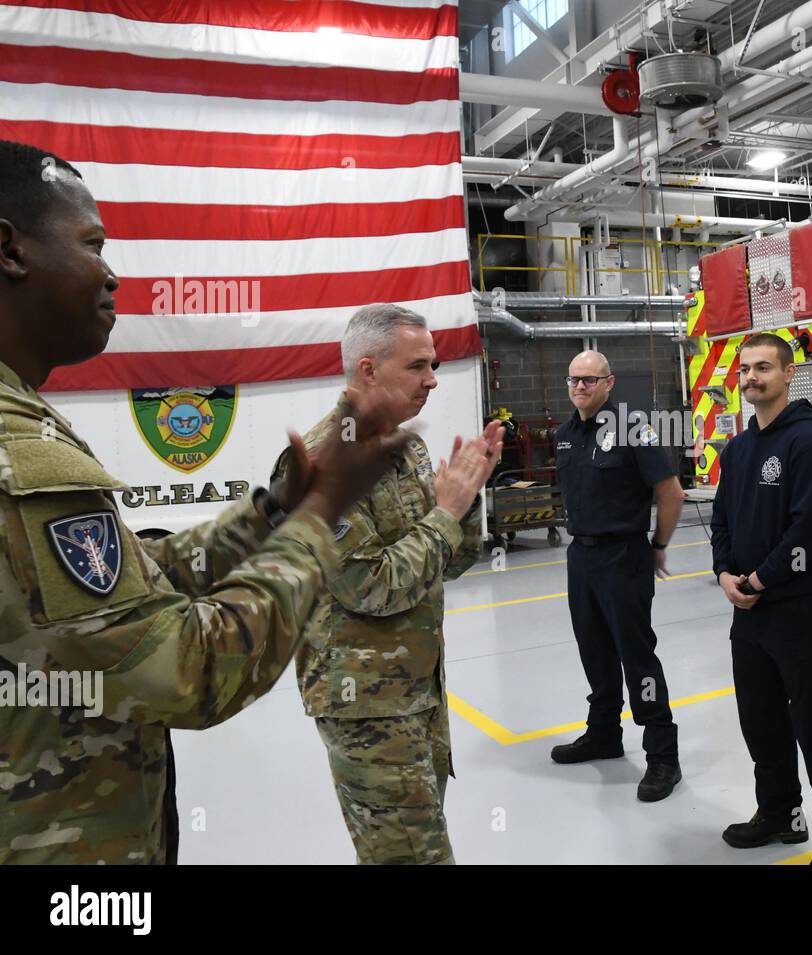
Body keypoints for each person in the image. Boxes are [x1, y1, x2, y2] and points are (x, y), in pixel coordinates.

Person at [0, 139, 425, 863]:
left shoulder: (24, 415)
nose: (111, 274)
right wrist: (321, 516)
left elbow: (135, 572)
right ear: (9, 251)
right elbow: (191, 668)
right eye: (92, 243)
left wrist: (270, 511)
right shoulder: (20, 453)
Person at [270, 304, 502, 865]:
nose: (432, 379)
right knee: (411, 856)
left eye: (434, 365)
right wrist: (446, 512)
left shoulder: (406, 448)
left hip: (420, 690)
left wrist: (464, 506)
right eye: (418, 366)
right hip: (366, 708)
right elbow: (369, 587)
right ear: (368, 370)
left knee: (405, 846)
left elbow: (447, 562)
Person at [711, 332, 812, 865]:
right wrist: (725, 572)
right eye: (744, 369)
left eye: (762, 368)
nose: (750, 378)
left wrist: (758, 582)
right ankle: (780, 814)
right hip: (748, 614)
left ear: (788, 375)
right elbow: (722, 517)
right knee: (761, 719)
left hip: (797, 611)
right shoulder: (740, 446)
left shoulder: (808, 444)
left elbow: (810, 529)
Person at [549, 350, 685, 802]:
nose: (581, 387)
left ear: (609, 383)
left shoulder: (633, 429)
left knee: (637, 656)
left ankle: (663, 756)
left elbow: (670, 492)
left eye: (590, 380)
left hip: (623, 557)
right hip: (581, 558)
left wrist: (658, 546)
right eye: (574, 380)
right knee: (594, 651)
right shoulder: (565, 435)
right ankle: (604, 733)